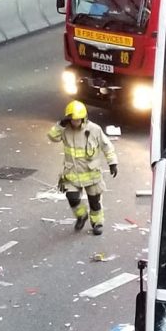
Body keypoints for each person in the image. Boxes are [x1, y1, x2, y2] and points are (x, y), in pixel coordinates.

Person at [47, 100, 117, 235]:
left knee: (94, 202)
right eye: (72, 120)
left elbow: (106, 146)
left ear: (83, 118)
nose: (75, 122)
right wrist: (59, 126)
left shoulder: (94, 130)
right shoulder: (65, 130)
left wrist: (112, 163)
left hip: (91, 173)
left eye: (78, 120)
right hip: (72, 173)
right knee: (72, 197)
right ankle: (81, 215)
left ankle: (97, 223)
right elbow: (52, 137)